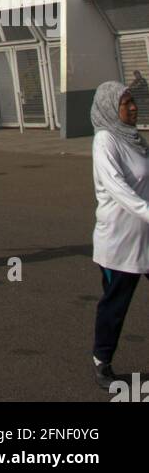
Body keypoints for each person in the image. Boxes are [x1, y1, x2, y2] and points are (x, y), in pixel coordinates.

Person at [90, 80, 149, 390]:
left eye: (132, 101)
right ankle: (102, 360)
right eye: (126, 103)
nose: (133, 107)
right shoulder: (105, 141)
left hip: (146, 239)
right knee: (115, 306)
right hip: (119, 244)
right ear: (111, 108)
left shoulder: (133, 138)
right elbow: (119, 189)